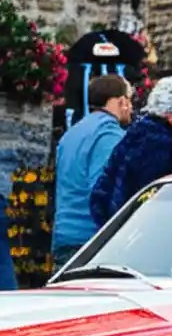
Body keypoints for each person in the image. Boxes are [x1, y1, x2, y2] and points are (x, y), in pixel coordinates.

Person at [88, 76, 172, 229]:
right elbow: (156, 196)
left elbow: (102, 191)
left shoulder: (137, 133)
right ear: (168, 112)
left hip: (119, 226)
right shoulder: (161, 143)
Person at [51, 75, 132, 268]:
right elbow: (105, 190)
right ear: (121, 101)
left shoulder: (71, 134)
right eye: (129, 100)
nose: (131, 107)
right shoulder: (109, 135)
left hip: (64, 235)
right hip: (91, 240)